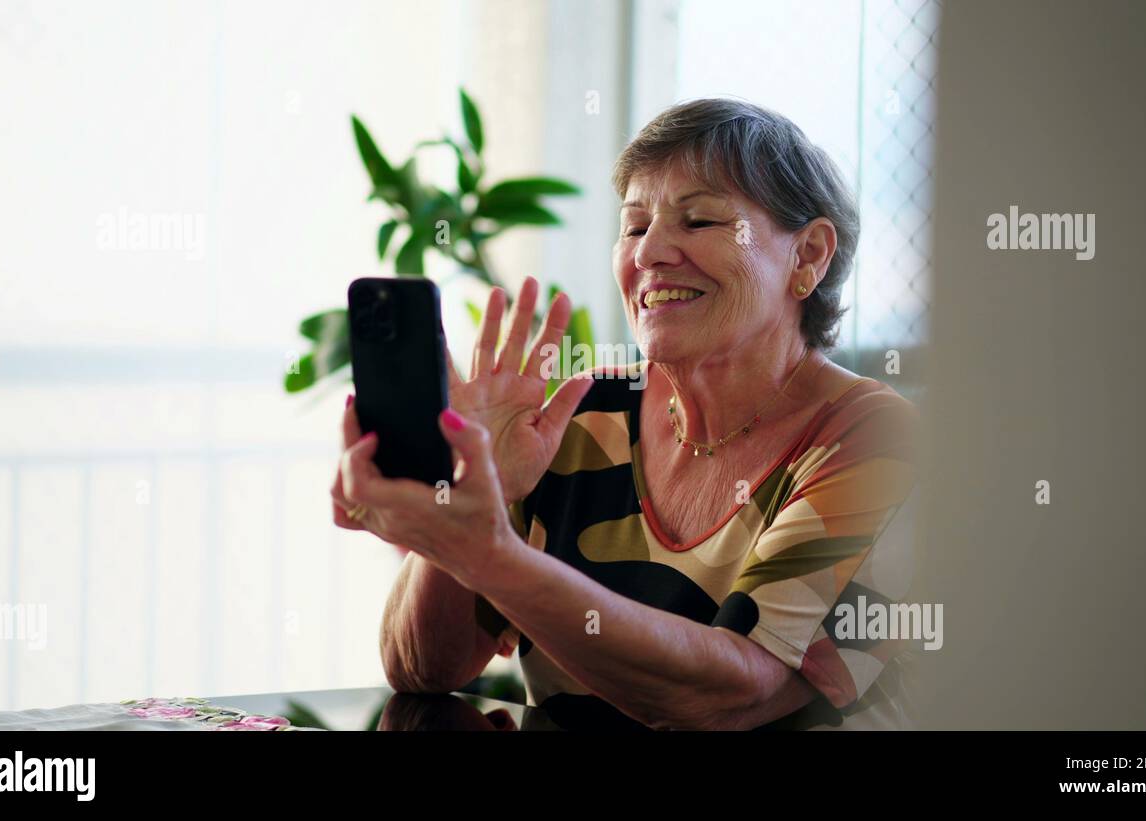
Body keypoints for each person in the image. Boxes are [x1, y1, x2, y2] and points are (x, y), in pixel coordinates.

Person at [332, 99, 918, 730]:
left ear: (807, 256)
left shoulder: (870, 437)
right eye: (635, 227)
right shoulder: (575, 419)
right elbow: (423, 670)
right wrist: (463, 500)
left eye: (698, 221)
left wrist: (488, 553)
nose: (650, 254)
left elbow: (732, 695)